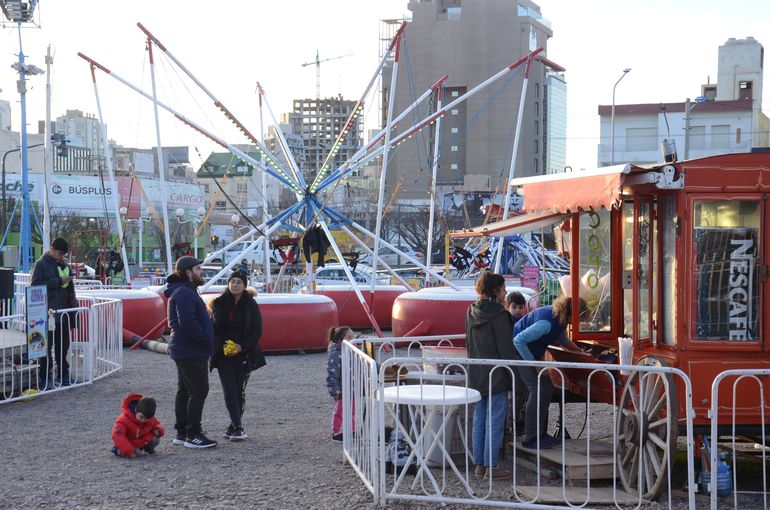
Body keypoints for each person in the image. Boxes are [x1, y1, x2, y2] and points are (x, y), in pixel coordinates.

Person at [512, 295, 586, 449]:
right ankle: (531, 437)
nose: (580, 322)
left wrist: (581, 352)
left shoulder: (558, 319)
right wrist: (534, 363)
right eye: (579, 317)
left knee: (548, 388)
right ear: (571, 315)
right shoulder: (545, 323)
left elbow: (562, 339)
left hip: (532, 355)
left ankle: (541, 434)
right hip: (520, 354)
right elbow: (518, 341)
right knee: (537, 391)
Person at [466, 271, 515, 479]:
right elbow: (506, 349)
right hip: (496, 374)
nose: (506, 292)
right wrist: (513, 375)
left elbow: (468, 341)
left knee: (479, 420)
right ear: (496, 291)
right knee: (495, 421)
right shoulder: (500, 316)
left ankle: (479, 465)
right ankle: (492, 466)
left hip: (477, 371)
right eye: (504, 289)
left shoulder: (471, 310)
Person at [165, 256, 217, 449]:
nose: (200, 272)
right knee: (199, 390)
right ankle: (193, 433)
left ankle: (182, 431)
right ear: (188, 272)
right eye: (197, 268)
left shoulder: (183, 291)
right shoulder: (185, 293)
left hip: (185, 349)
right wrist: (204, 337)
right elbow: (187, 322)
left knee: (185, 390)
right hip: (191, 350)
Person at [209, 270, 265, 442]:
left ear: (244, 285)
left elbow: (257, 331)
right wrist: (222, 345)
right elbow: (213, 329)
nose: (235, 285)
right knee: (229, 389)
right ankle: (238, 426)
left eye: (239, 282)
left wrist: (242, 347)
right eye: (232, 281)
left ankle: (234, 425)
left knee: (239, 390)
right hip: (223, 354)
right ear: (228, 284)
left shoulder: (251, 305)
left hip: (244, 354)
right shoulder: (218, 303)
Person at [31, 237, 78, 388]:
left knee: (63, 348)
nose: (61, 256)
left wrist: (72, 295)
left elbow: (70, 287)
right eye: (59, 253)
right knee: (45, 349)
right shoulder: (40, 265)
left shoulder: (63, 264)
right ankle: (46, 379)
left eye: (63, 254)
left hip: (63, 314)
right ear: (51, 248)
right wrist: (59, 281)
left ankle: (63, 375)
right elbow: (35, 286)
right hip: (46, 315)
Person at [111, 394, 165, 458]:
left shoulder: (148, 417)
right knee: (137, 454)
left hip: (141, 442)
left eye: (147, 419)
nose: (143, 420)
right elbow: (118, 436)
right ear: (136, 410)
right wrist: (128, 451)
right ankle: (120, 450)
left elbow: (156, 424)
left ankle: (145, 449)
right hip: (129, 443)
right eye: (141, 417)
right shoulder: (123, 420)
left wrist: (158, 430)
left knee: (155, 439)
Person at [326, 326, 354, 442]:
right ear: (341, 340)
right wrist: (335, 391)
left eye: (353, 337)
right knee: (340, 411)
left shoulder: (351, 352)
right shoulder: (336, 354)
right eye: (350, 337)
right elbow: (332, 374)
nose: (353, 340)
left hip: (352, 389)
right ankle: (336, 432)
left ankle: (352, 431)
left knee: (352, 411)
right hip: (342, 390)